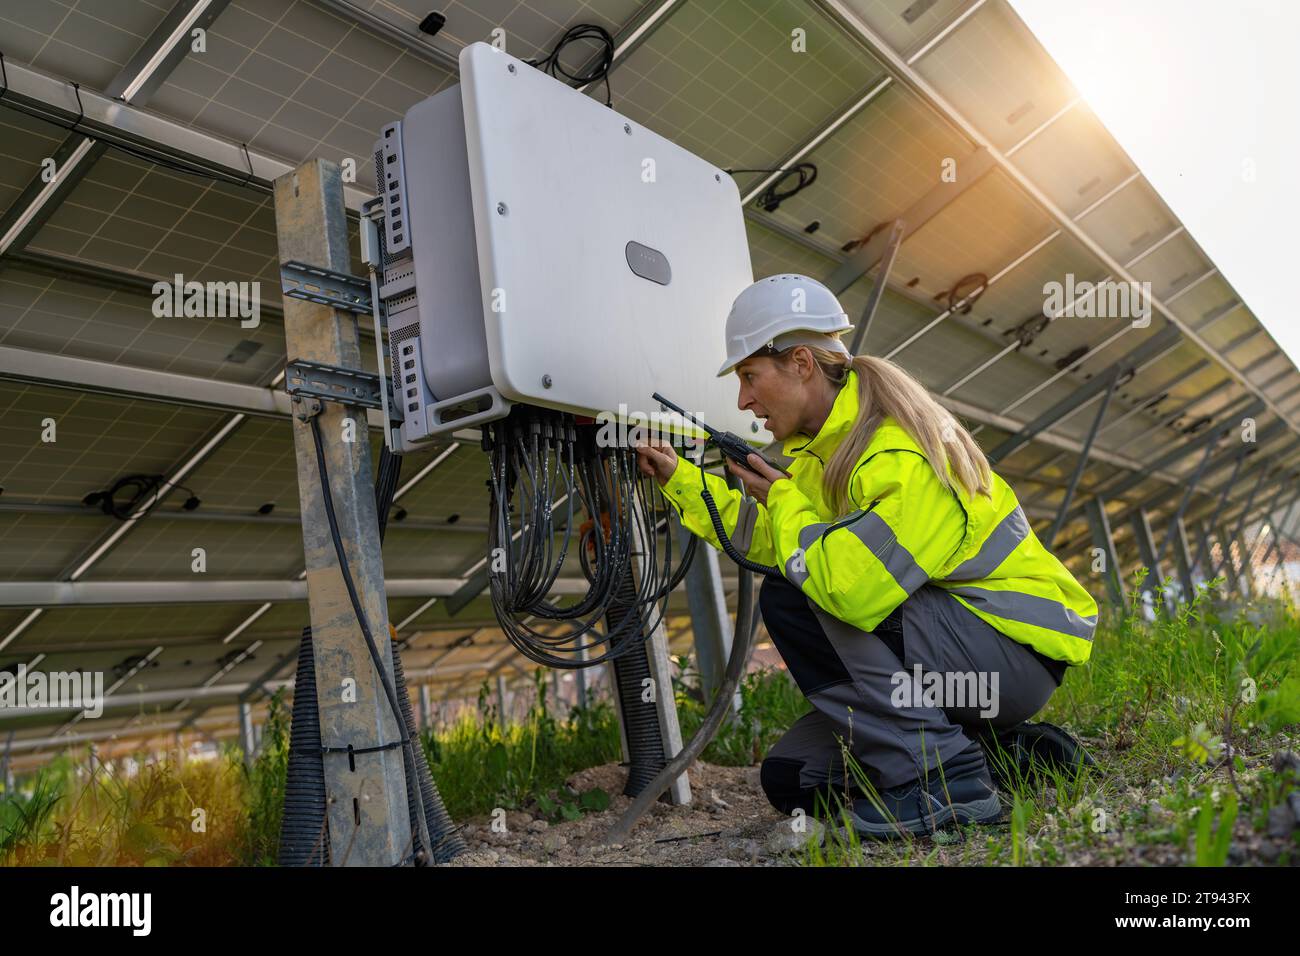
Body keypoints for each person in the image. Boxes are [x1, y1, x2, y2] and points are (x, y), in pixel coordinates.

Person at [634, 273, 1099, 838]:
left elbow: (848, 591)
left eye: (750, 376)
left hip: (1010, 657)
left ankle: (945, 779)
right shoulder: (818, 454)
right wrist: (681, 480)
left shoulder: (900, 451)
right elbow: (770, 538)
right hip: (956, 661)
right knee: (796, 780)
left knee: (794, 592)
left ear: (801, 362)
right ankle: (995, 751)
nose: (742, 400)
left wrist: (782, 496)